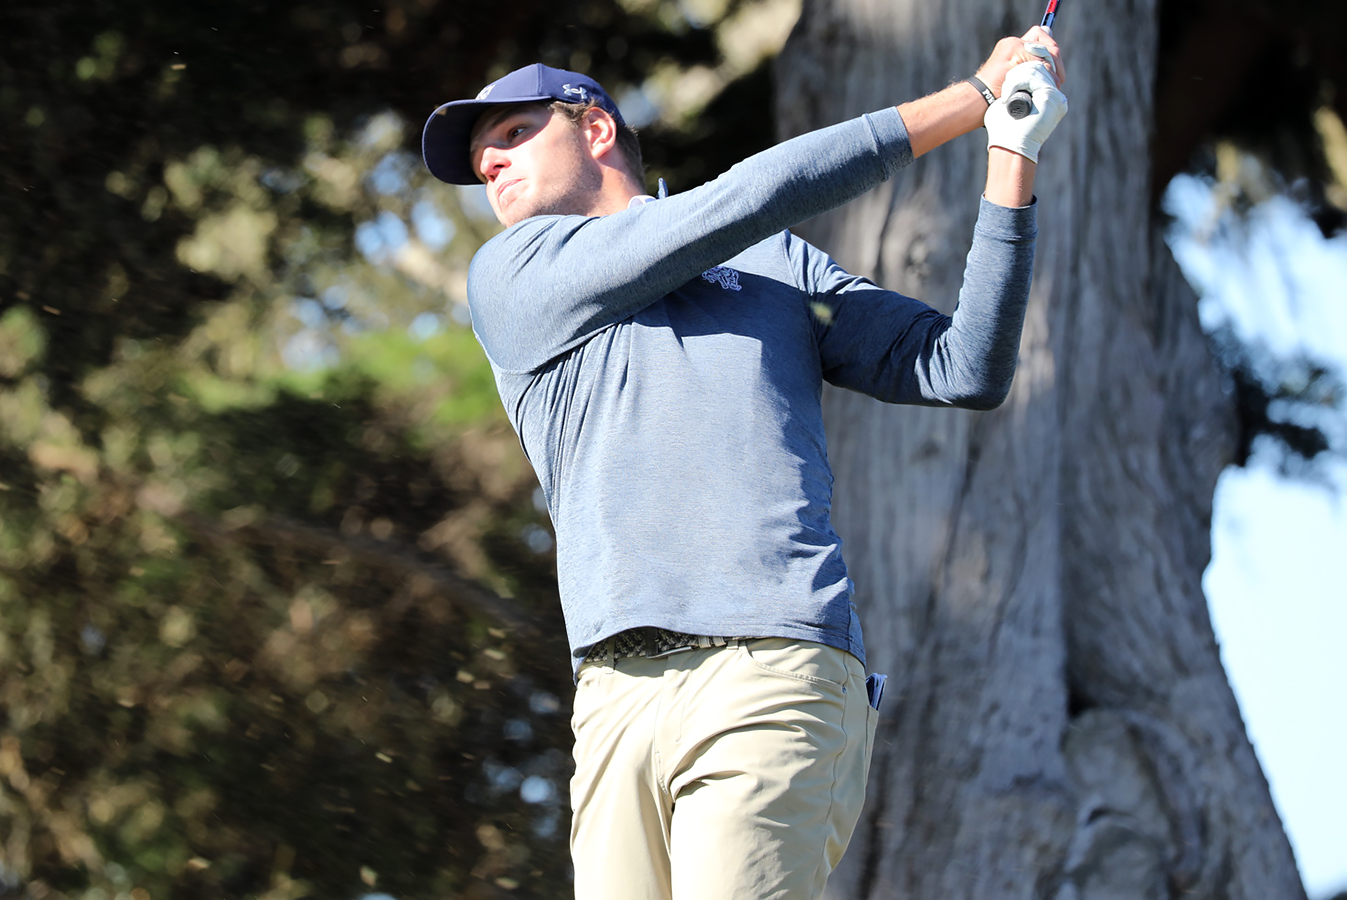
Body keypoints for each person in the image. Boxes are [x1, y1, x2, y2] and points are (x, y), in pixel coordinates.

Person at [420, 28, 1067, 900]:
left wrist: (1010, 154)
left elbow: (963, 369)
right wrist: (970, 95)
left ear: (597, 130)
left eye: (511, 134)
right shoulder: (514, 276)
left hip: (774, 670)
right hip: (613, 700)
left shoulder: (774, 263)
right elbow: (746, 199)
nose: (489, 165)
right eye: (477, 157)